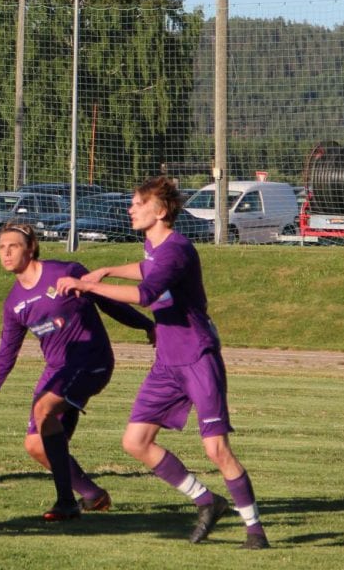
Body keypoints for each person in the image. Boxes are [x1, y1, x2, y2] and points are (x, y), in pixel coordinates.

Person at [54, 176, 269, 549]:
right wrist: (104, 269)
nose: (130, 208)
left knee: (216, 449)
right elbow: (145, 267)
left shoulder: (178, 250)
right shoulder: (155, 247)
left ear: (161, 211)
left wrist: (88, 286)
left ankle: (254, 530)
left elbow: (144, 293)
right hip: (167, 363)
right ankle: (207, 501)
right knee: (135, 441)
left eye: (138, 203)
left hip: (197, 358)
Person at [0, 222, 154, 519]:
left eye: (13, 246)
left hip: (91, 361)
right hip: (57, 371)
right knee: (35, 445)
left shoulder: (64, 271)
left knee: (43, 409)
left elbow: (108, 301)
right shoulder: (14, 304)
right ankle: (92, 495)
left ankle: (66, 504)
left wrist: (147, 326)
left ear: (31, 248)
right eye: (1, 248)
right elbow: (5, 357)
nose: (5, 253)